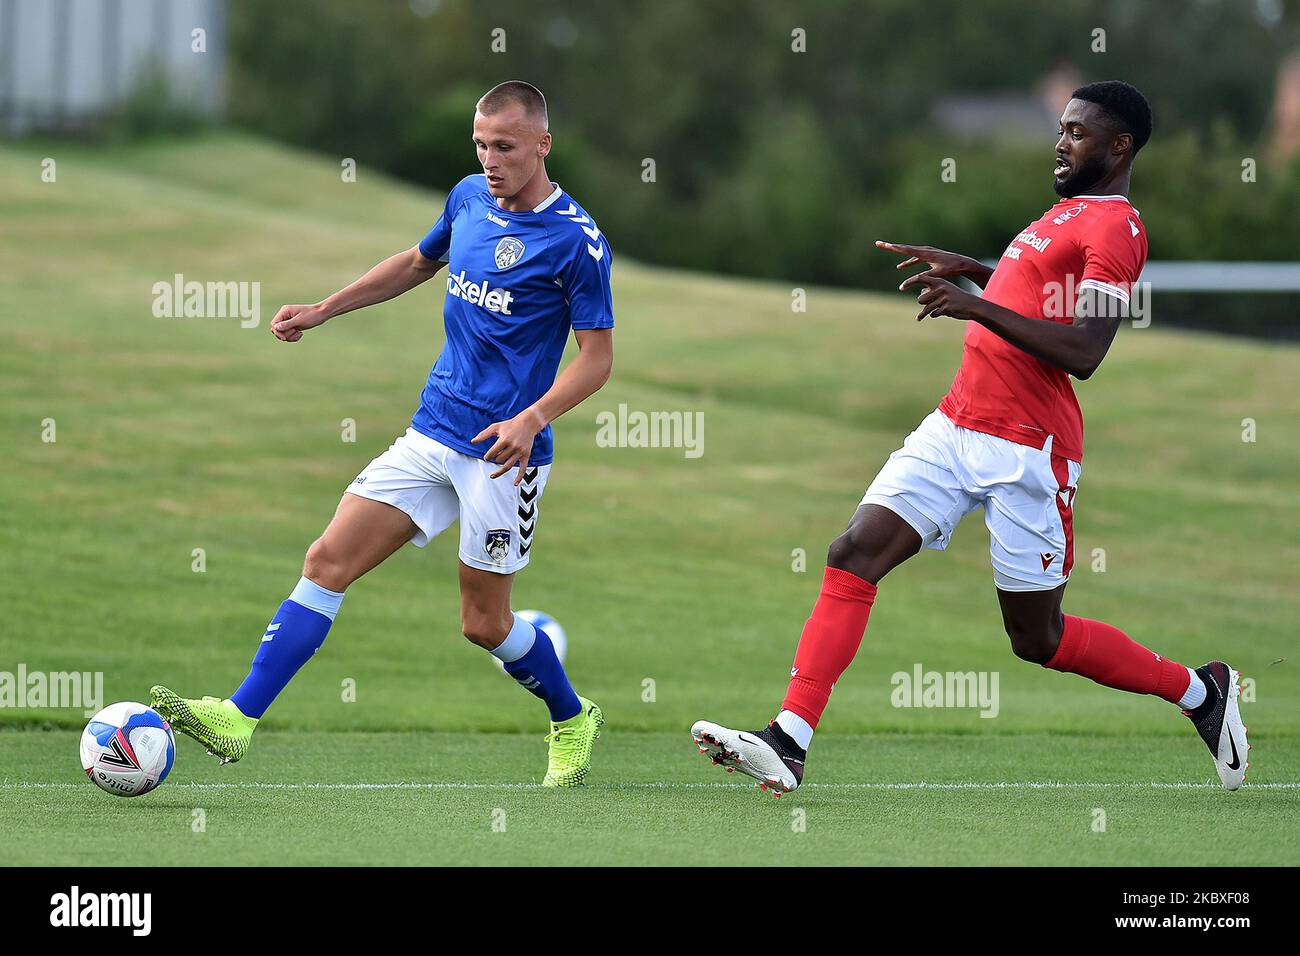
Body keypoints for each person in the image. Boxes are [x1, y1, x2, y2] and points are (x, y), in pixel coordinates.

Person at [691, 80, 1250, 795]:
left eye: (1079, 133)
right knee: (853, 552)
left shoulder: (1116, 226)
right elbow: (1036, 300)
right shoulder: (1064, 214)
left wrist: (974, 309)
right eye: (1061, 127)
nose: (1061, 141)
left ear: (1119, 147)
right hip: (956, 425)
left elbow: (1085, 349)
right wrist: (976, 273)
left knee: (1036, 640)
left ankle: (1201, 692)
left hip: (1029, 452)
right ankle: (789, 739)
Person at [152, 80, 614, 788]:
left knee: (484, 625)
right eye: (481, 144)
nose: (491, 159)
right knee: (326, 560)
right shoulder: (466, 197)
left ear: (542, 145)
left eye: (506, 146)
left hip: (502, 457)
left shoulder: (576, 242)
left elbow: (597, 359)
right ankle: (238, 717)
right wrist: (325, 308)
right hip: (433, 430)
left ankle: (571, 715)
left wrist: (533, 418)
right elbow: (417, 262)